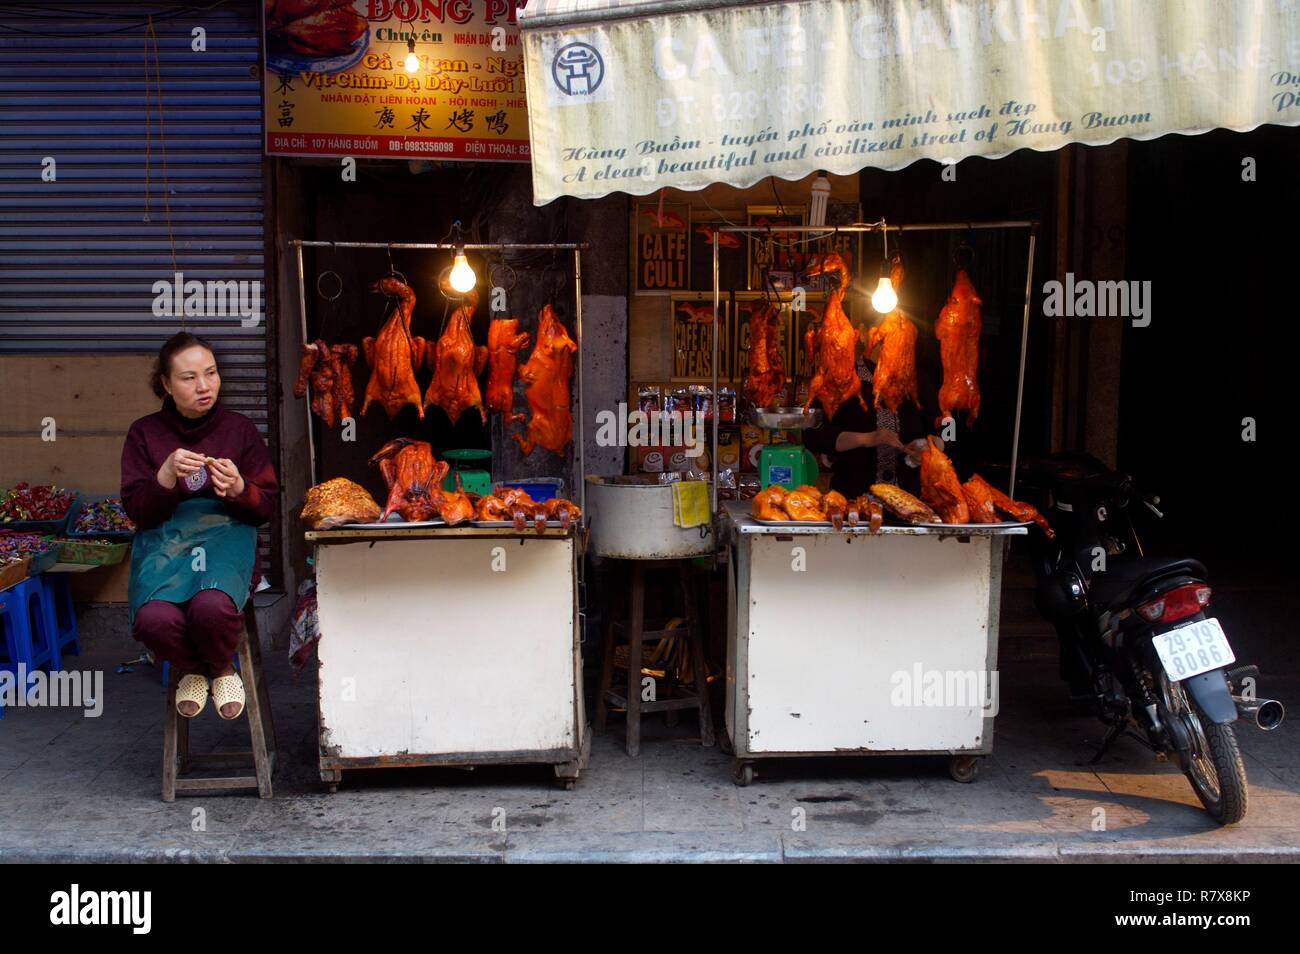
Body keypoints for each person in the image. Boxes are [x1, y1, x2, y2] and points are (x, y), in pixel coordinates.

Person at [121, 332, 279, 720]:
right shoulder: (144, 433)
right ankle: (203, 669)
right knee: (153, 620)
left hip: (225, 541)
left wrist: (240, 488)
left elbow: (266, 508)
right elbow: (139, 511)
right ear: (166, 384)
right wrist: (165, 477)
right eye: (189, 377)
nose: (204, 385)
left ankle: (218, 669)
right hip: (165, 543)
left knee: (211, 608)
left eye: (211, 373)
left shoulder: (239, 430)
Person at [801, 354, 944, 499]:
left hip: (909, 500)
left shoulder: (918, 379)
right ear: (863, 334)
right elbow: (811, 433)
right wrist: (866, 438)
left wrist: (931, 447)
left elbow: (948, 429)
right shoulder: (840, 376)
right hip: (852, 499)